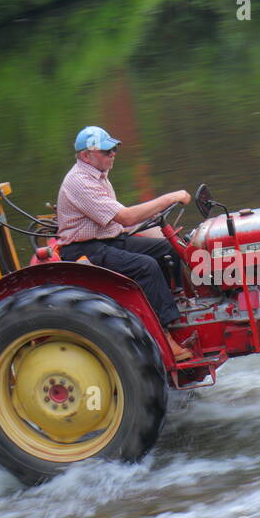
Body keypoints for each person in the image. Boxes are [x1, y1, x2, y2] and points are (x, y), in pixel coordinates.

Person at [55, 126, 194, 361]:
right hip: (86, 250)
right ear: (85, 155)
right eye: (107, 150)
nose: (113, 154)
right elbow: (126, 217)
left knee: (167, 248)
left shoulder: (98, 175)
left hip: (109, 240)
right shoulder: (79, 182)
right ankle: (164, 338)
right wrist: (170, 198)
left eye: (114, 149)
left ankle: (179, 304)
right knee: (145, 266)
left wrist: (154, 224)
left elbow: (119, 222)